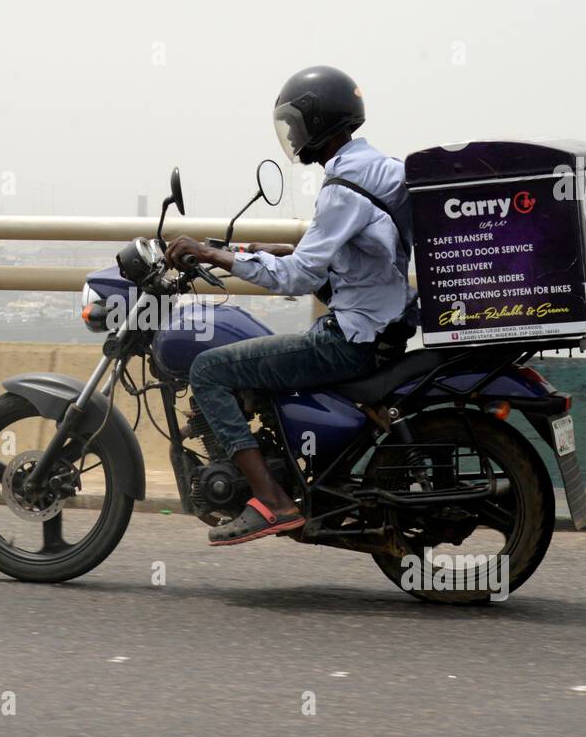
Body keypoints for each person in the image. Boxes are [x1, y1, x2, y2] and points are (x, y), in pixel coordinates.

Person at [164, 65, 418, 546]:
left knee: (209, 371)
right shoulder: (375, 167)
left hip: (350, 338)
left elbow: (299, 277)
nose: (293, 135)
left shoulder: (343, 187)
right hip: (384, 323)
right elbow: (341, 250)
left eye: (297, 124)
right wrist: (257, 252)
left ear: (319, 121)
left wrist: (211, 253)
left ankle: (273, 502)